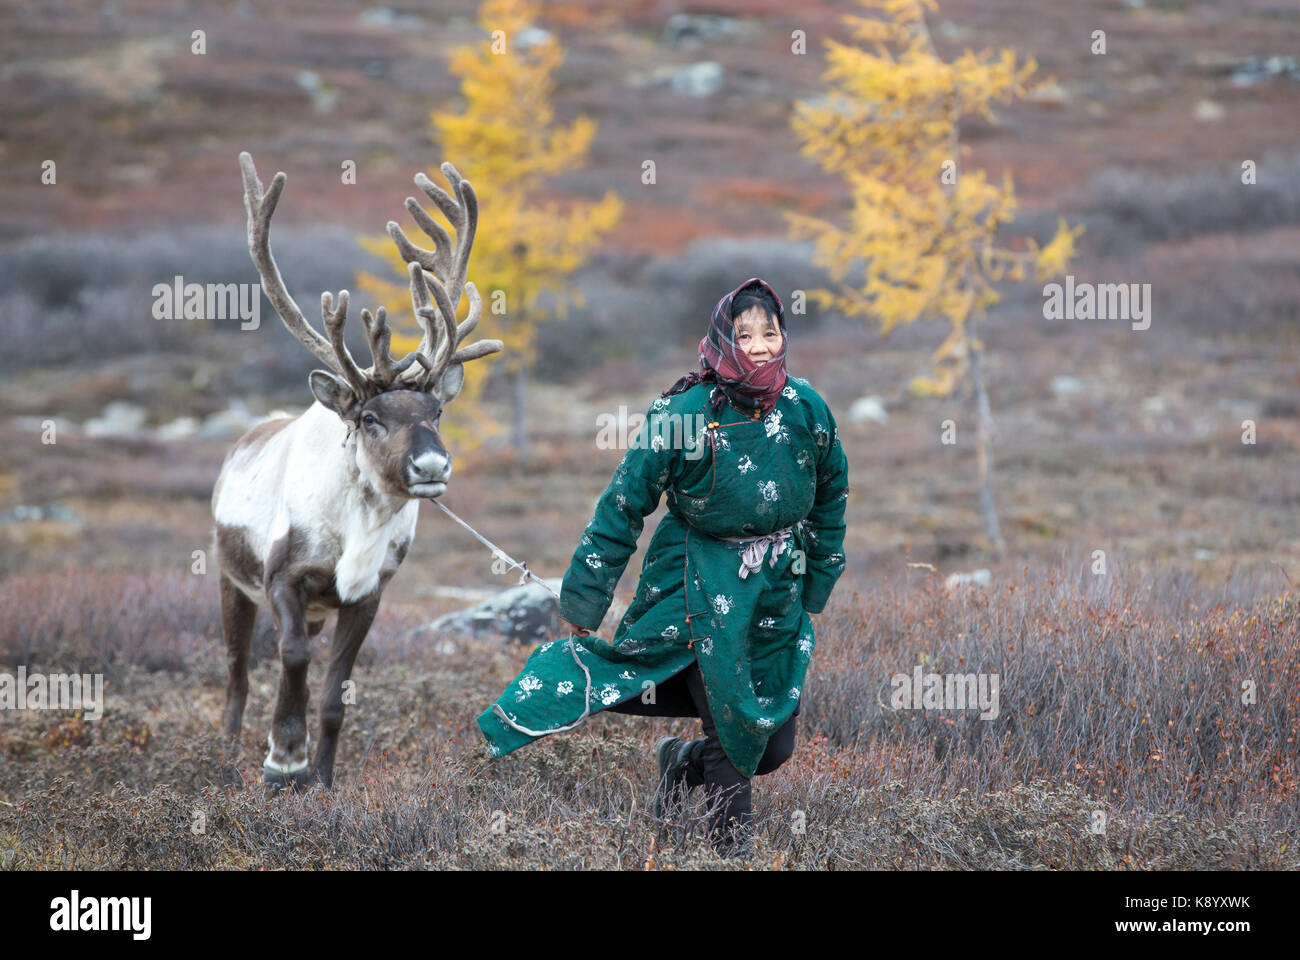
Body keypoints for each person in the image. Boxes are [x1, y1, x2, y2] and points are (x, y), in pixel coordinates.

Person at [476, 277, 850, 858]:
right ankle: (733, 857)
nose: (757, 345)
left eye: (769, 332)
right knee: (731, 724)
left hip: (776, 588)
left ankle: (679, 763)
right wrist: (585, 599)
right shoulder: (684, 413)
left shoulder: (809, 408)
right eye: (744, 334)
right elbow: (624, 502)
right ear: (723, 339)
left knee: (773, 747)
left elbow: (832, 494)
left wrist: (818, 581)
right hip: (696, 580)